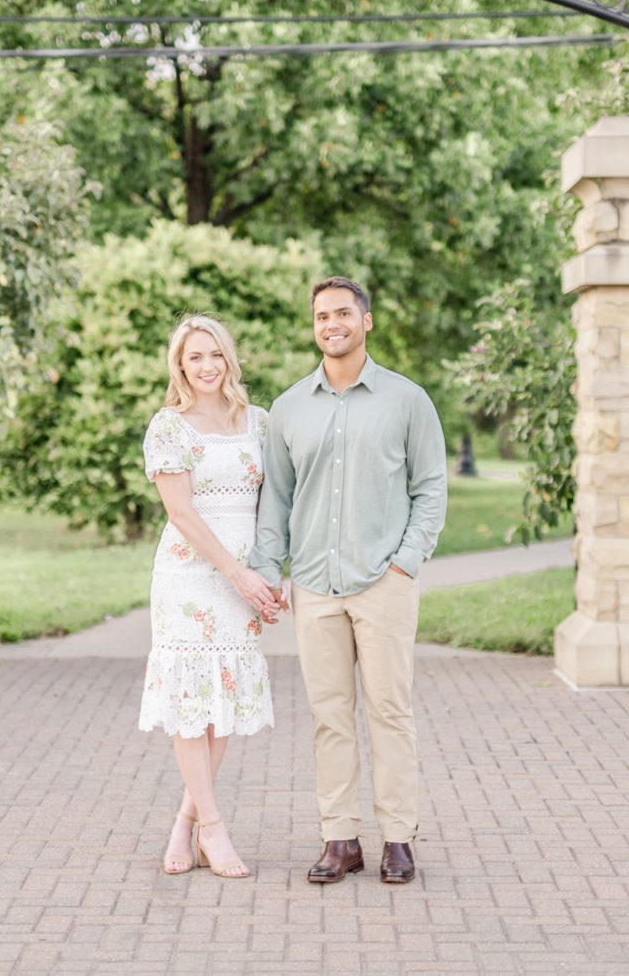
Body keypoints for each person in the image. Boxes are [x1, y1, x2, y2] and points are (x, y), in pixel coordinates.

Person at [249, 276, 447, 886]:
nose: (330, 323)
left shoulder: (407, 400)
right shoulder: (288, 408)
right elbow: (276, 500)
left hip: (383, 581)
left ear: (366, 321)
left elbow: (430, 487)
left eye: (341, 313)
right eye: (320, 316)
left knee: (389, 711)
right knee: (329, 715)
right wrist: (267, 573)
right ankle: (340, 839)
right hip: (313, 585)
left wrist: (405, 562)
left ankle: (398, 838)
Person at [139, 315, 283, 879]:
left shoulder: (260, 423)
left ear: (229, 359)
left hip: (245, 576)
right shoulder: (169, 427)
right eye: (194, 357)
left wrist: (269, 574)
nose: (205, 367)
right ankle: (215, 828)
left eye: (214, 355)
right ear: (180, 364)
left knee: (222, 699)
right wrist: (236, 574)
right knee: (191, 701)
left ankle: (186, 820)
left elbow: (274, 506)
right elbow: (181, 512)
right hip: (191, 578)